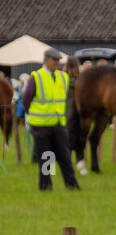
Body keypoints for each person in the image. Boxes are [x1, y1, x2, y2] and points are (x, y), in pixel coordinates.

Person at [23, 49, 79, 191]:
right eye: (54, 60)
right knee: (47, 157)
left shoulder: (63, 77)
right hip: (41, 125)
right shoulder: (37, 76)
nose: (57, 63)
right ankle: (46, 186)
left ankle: (72, 185)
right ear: (46, 60)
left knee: (65, 156)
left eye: (58, 61)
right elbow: (26, 99)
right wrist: (31, 116)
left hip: (58, 123)